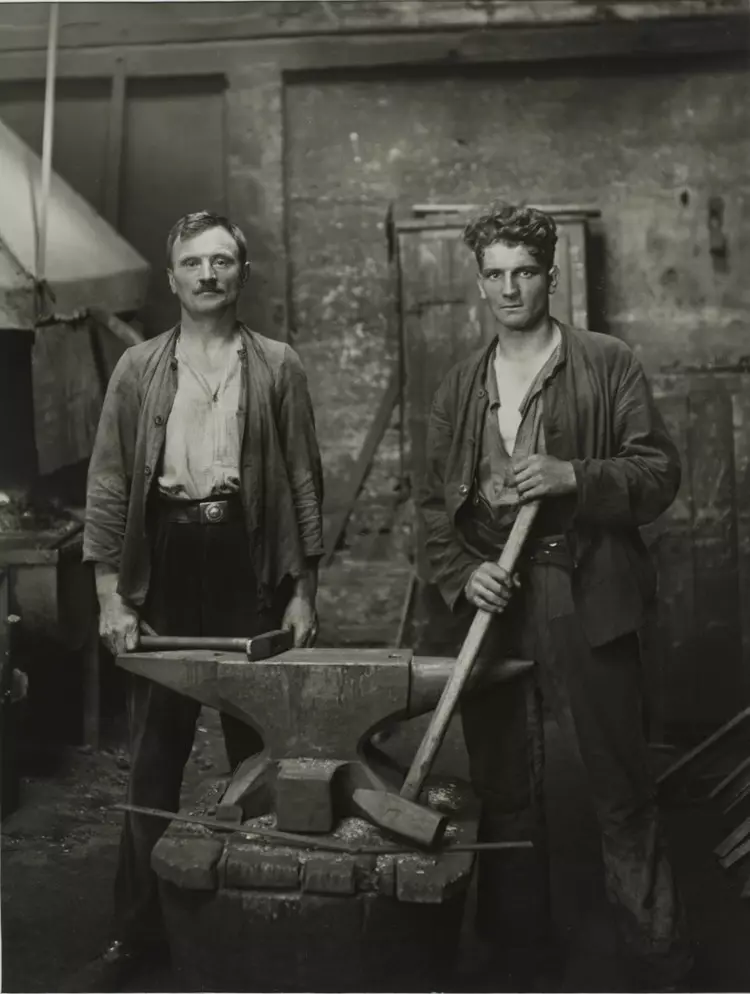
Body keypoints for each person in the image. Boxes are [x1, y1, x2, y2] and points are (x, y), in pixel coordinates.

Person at [419, 204, 692, 992]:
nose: (511, 288)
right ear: (480, 284)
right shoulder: (460, 385)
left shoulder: (607, 362)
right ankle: (520, 954)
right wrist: (460, 573)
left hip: (587, 589)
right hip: (496, 597)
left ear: (551, 274)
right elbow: (432, 505)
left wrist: (580, 476)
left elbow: (659, 473)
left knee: (620, 783)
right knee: (503, 785)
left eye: (525, 272)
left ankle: (658, 956)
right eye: (496, 275)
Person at [76, 211, 324, 991]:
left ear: (242, 274)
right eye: (194, 262)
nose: (208, 274)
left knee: (260, 753)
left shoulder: (278, 365)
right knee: (155, 757)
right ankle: (135, 933)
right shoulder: (139, 369)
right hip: (169, 564)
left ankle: (254, 924)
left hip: (248, 561)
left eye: (223, 261)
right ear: (173, 274)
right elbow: (111, 485)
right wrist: (112, 595)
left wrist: (303, 591)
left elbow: (304, 485)